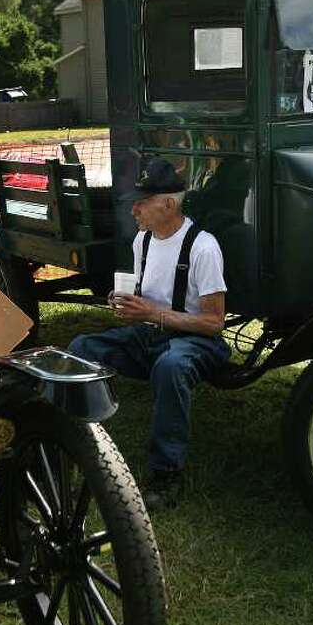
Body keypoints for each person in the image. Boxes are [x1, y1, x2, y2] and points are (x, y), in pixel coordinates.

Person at [68, 157, 229, 510]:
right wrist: (126, 303)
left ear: (168, 204)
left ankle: (165, 473)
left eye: (141, 203)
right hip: (151, 335)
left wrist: (153, 313)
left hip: (197, 342)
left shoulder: (203, 247)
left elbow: (214, 322)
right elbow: (145, 300)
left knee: (170, 366)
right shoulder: (144, 240)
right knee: (80, 348)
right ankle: (76, 444)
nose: (134, 210)